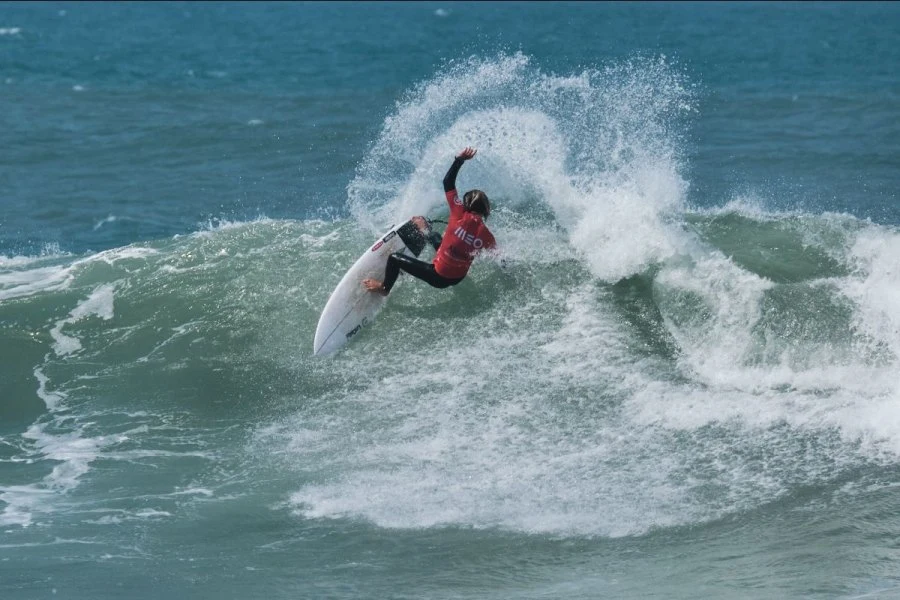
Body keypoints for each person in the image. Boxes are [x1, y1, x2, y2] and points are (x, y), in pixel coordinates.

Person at [362, 146, 496, 296]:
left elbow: (447, 182)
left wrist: (460, 160)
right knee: (435, 237)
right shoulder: (486, 235)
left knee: (394, 259)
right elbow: (496, 255)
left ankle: (384, 288)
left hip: (437, 276)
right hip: (458, 277)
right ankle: (424, 229)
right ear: (485, 211)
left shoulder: (459, 212)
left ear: (465, 205)